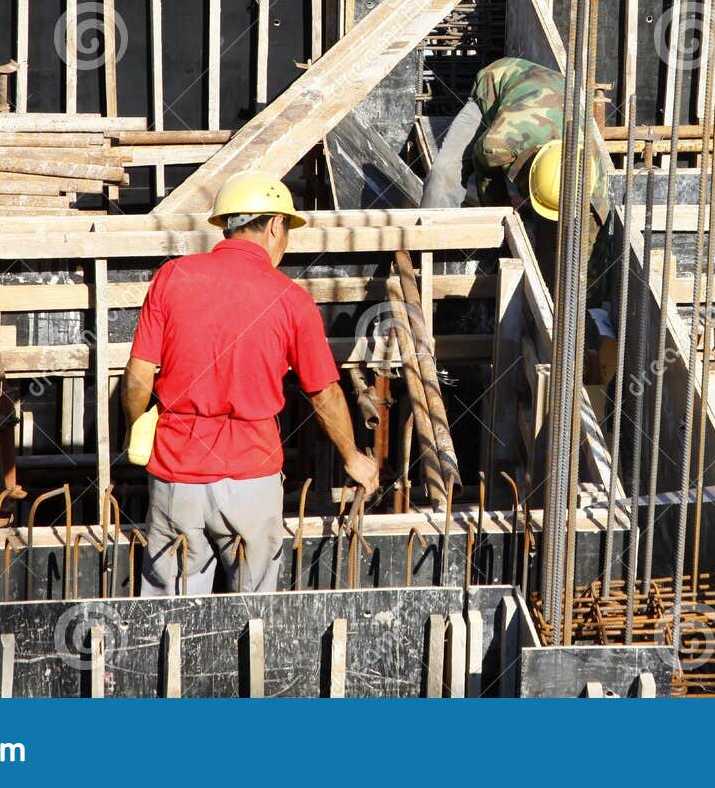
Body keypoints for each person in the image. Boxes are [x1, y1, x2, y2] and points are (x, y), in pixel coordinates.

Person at [122, 170, 379, 595]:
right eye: (287, 230)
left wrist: (139, 428)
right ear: (276, 224)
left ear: (227, 224)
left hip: (177, 472)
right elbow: (324, 394)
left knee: (169, 614)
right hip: (252, 478)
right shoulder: (292, 300)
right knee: (253, 611)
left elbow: (137, 377)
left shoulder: (172, 277)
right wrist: (352, 456)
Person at [421, 56, 608, 281]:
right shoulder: (496, 145)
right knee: (444, 174)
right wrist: (506, 231)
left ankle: (545, 285)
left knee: (554, 237)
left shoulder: (591, 175)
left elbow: (591, 247)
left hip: (556, 91)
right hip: (496, 86)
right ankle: (430, 260)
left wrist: (589, 302)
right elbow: (488, 185)